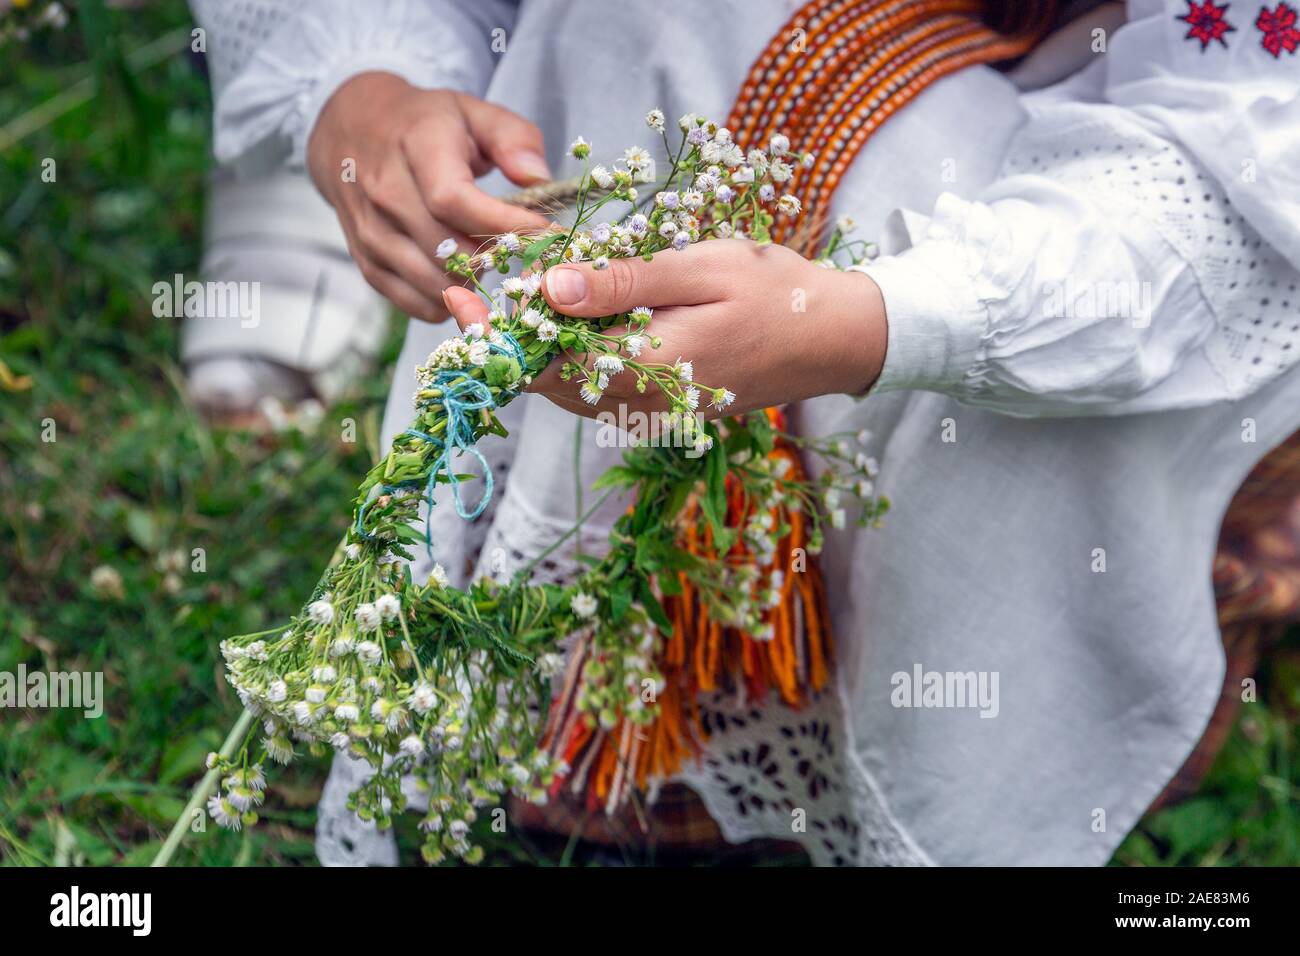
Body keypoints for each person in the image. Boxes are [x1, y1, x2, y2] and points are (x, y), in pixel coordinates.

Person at [209, 0, 1300, 865]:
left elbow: (1250, 167)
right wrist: (364, 89)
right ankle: (590, 697)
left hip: (1079, 183)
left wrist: (870, 322)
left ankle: (871, 703)